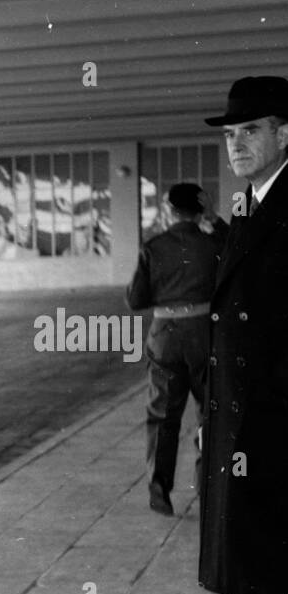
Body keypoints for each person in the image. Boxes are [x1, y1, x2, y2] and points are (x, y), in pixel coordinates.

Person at [199, 76, 288, 594]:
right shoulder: (249, 206)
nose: (234, 143)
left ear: (284, 133)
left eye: (248, 130)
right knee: (246, 560)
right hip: (239, 420)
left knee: (274, 562)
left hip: (276, 420)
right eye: (229, 134)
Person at [126, 182, 222, 516]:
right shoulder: (214, 245)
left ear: (168, 210)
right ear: (200, 211)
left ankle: (159, 490)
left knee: (162, 415)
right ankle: (208, 488)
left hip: (164, 336)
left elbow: (135, 300)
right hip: (205, 334)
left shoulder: (153, 246)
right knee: (210, 413)